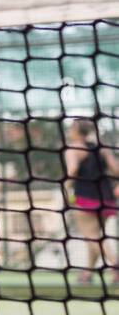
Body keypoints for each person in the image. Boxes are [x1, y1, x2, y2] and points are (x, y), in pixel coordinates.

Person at [63, 118, 119, 284]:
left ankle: (116, 266)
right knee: (94, 238)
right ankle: (87, 274)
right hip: (106, 198)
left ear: (75, 131)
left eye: (70, 129)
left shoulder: (72, 149)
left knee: (92, 237)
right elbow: (116, 170)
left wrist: (65, 186)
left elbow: (72, 170)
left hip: (85, 198)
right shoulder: (102, 149)